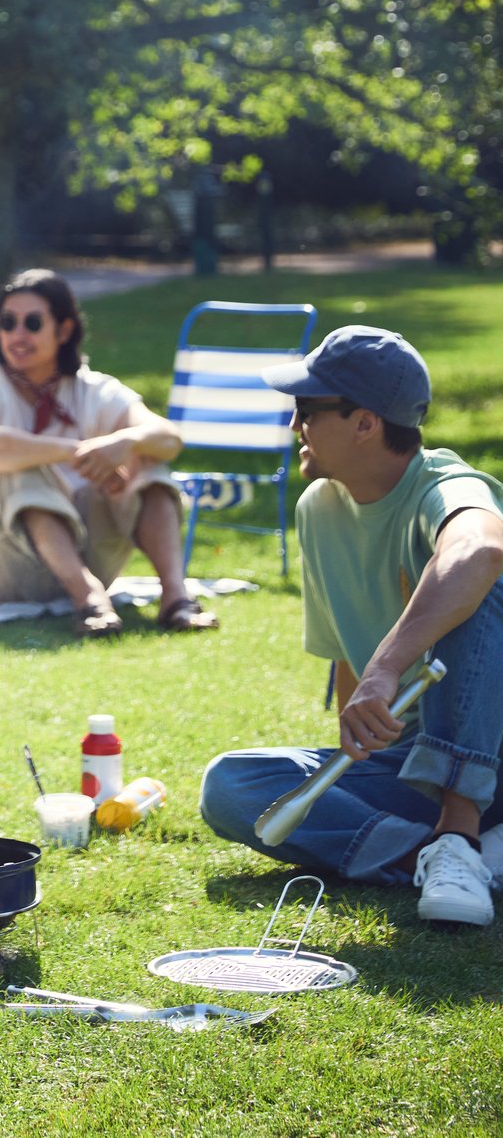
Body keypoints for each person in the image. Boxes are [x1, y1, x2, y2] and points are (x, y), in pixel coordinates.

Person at [200, 325, 503, 928]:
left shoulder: (448, 487)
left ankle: (460, 830)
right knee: (232, 785)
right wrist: (357, 742)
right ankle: (450, 855)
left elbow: (480, 553)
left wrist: (386, 668)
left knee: (477, 584)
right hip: (409, 764)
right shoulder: (318, 509)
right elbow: (345, 656)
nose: (294, 426)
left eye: (306, 410)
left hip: (488, 749)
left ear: (364, 423)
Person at [0, 268, 216, 636]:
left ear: (64, 330)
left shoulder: (93, 389)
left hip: (88, 555)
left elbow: (168, 438)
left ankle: (176, 598)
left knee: (147, 461)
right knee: (16, 460)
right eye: (8, 322)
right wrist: (73, 452)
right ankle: (89, 601)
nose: (17, 335)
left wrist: (125, 443)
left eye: (32, 323)